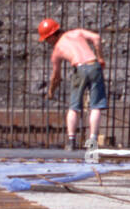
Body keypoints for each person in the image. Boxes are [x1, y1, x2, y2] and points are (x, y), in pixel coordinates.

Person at [39, 18, 108, 152]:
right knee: (96, 106)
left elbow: (56, 77)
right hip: (94, 65)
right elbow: (97, 38)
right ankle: (92, 141)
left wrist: (51, 91)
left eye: (47, 39)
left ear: (53, 36)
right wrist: (100, 57)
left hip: (79, 68)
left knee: (74, 107)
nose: (47, 42)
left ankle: (71, 142)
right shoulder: (77, 33)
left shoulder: (57, 50)